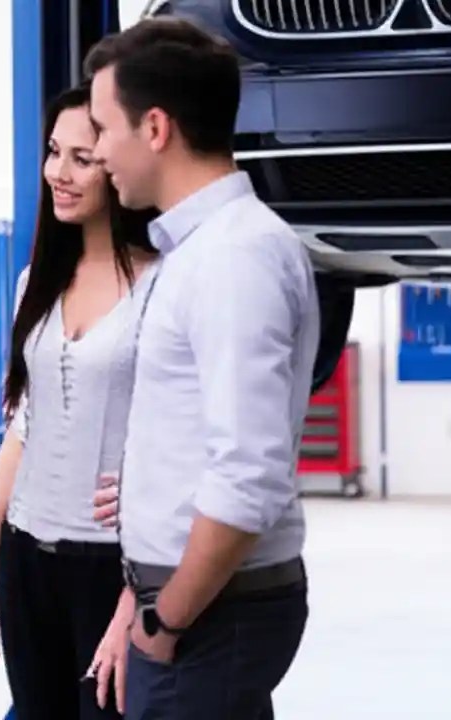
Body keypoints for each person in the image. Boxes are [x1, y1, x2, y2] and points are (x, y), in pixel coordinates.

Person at [83, 16, 321, 720]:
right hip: (202, 605)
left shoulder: (231, 259)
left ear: (155, 128)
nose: (98, 152)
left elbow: (249, 470)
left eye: (103, 129)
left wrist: (166, 622)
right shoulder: (203, 250)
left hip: (209, 615)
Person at [0, 83, 159, 720]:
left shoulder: (164, 285)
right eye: (53, 152)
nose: (58, 173)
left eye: (82, 158)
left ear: (118, 165)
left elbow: (181, 443)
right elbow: (21, 434)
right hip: (27, 560)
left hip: (115, 564)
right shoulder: (34, 285)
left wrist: (137, 599)